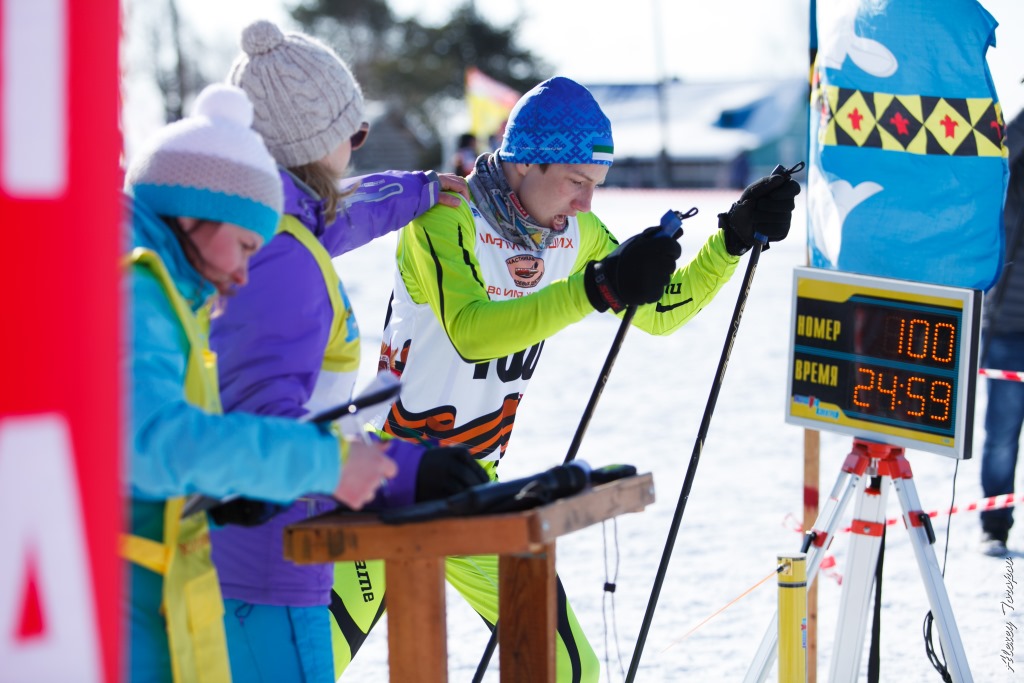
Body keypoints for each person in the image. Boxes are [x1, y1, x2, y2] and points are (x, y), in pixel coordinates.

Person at [336, 76, 799, 682]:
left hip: (471, 482)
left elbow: (656, 311)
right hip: (379, 482)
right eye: (576, 181)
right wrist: (597, 288)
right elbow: (472, 330)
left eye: (595, 187)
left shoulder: (574, 235)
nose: (585, 203)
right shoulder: (444, 218)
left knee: (570, 671)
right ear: (525, 161)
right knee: (303, 665)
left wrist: (729, 240)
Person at [205, 20, 489, 683]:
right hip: (266, 575)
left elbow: (342, 211)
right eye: (352, 133)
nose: (357, 147)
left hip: (248, 567)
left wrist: (417, 190)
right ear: (312, 145)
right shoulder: (279, 264)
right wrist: (407, 471)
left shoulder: (260, 227)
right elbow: (271, 435)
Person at [122, 83, 397, 683]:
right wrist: (322, 464)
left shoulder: (171, 280)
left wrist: (226, 492)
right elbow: (150, 444)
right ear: (196, 214)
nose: (246, 273)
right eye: (246, 245)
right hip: (115, 600)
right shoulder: (138, 284)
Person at [979, 107, 1024, 557]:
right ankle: (995, 525)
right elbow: (999, 150)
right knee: (1001, 436)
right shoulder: (1008, 185)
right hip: (1008, 328)